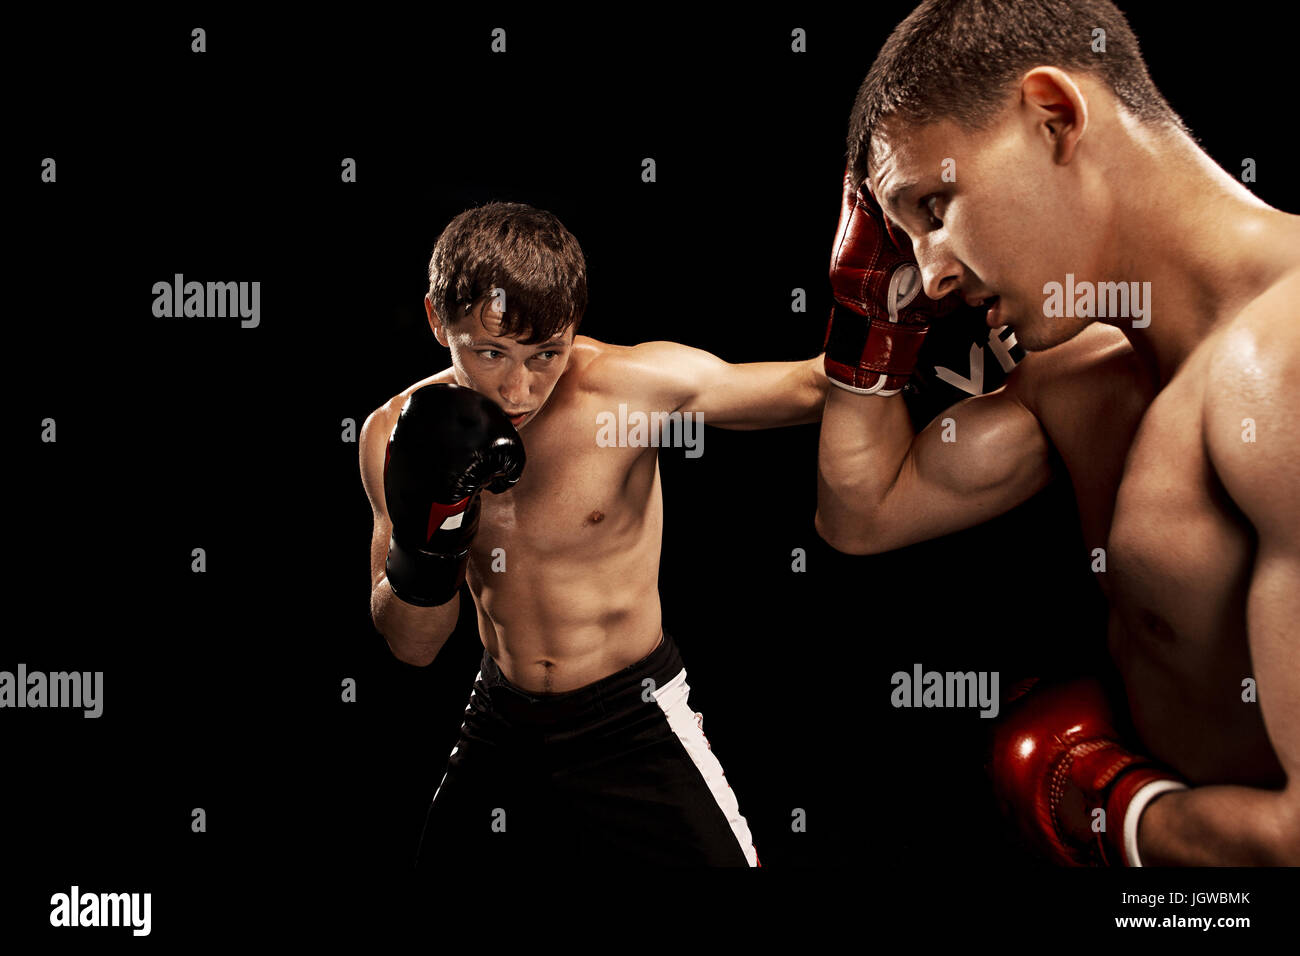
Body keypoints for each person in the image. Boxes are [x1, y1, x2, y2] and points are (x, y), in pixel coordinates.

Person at [816, 0, 1300, 865]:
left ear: (1054, 115)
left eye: (935, 204)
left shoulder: (1284, 359)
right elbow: (862, 511)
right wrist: (864, 314)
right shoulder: (1081, 374)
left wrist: (1109, 803)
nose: (926, 280)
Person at [360, 201, 829, 866]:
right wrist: (431, 536)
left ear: (574, 329)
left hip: (631, 719)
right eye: (491, 353)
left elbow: (811, 388)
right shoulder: (391, 434)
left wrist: (910, 334)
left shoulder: (628, 390)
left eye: (545, 354)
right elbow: (412, 646)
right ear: (439, 320)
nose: (519, 389)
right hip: (502, 718)